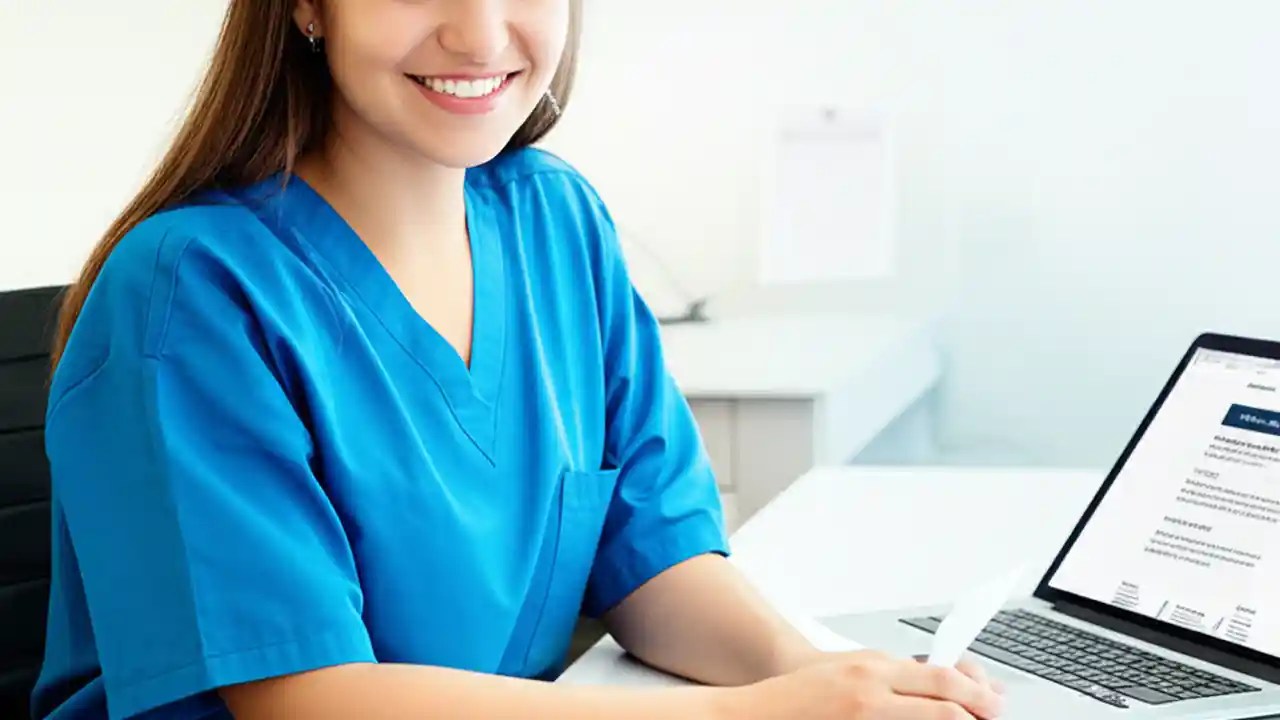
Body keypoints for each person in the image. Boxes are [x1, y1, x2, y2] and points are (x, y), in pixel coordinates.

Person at [33, 1, 1005, 718]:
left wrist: (806, 675)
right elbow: (306, 702)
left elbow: (653, 559)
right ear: (304, 7)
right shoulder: (192, 293)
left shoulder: (554, 218)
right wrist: (744, 714)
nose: (482, 34)